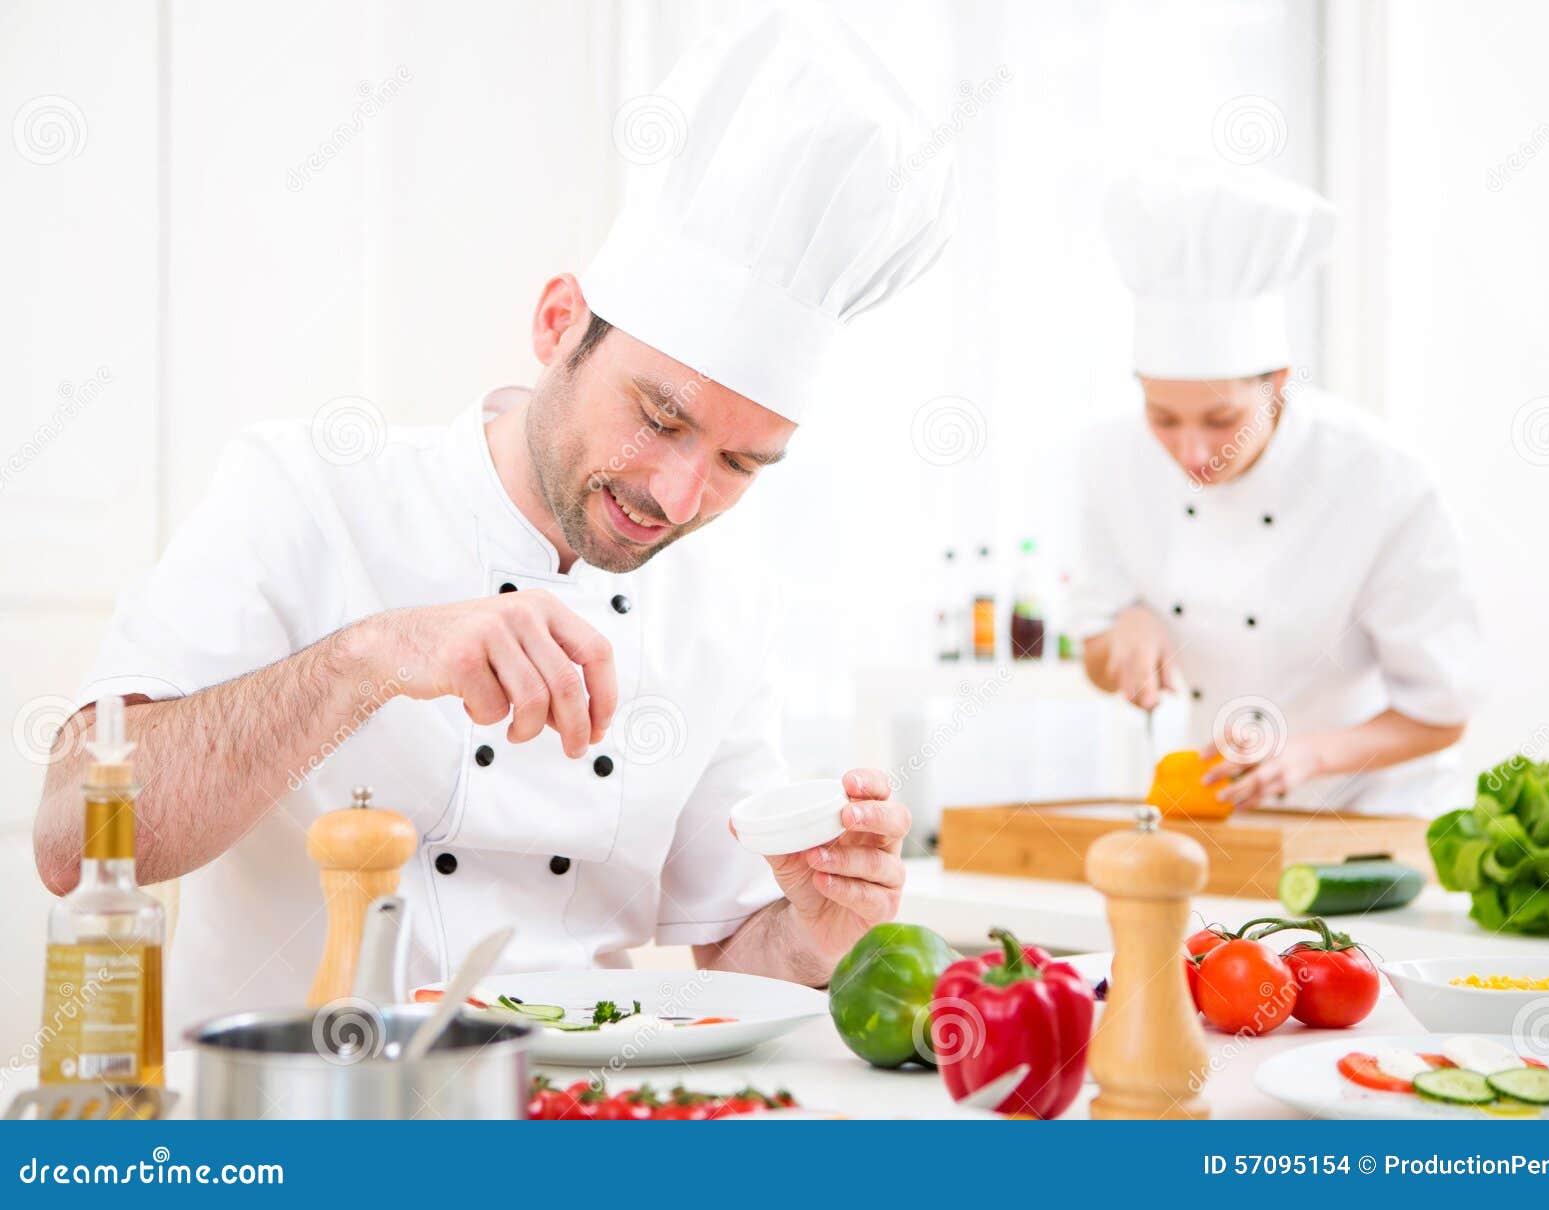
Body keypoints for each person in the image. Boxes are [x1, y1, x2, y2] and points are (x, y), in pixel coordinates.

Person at [32, 6, 957, 1030]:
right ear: (558, 323)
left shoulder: (727, 608)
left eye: (741, 461)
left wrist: (812, 930)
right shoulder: (304, 489)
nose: (679, 497)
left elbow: (729, 947)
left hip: (570, 1117)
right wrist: (375, 654)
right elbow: (75, 840)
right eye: (659, 417)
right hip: (286, 1119)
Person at [1075, 164, 1478, 815]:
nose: (1192, 452)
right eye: (1164, 419)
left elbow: (1442, 711)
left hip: (1368, 819)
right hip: (1222, 816)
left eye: (1221, 419)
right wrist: (1123, 631)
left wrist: (1309, 755)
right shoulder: (1110, 459)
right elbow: (1095, 651)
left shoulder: (1378, 478)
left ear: (1279, 382)